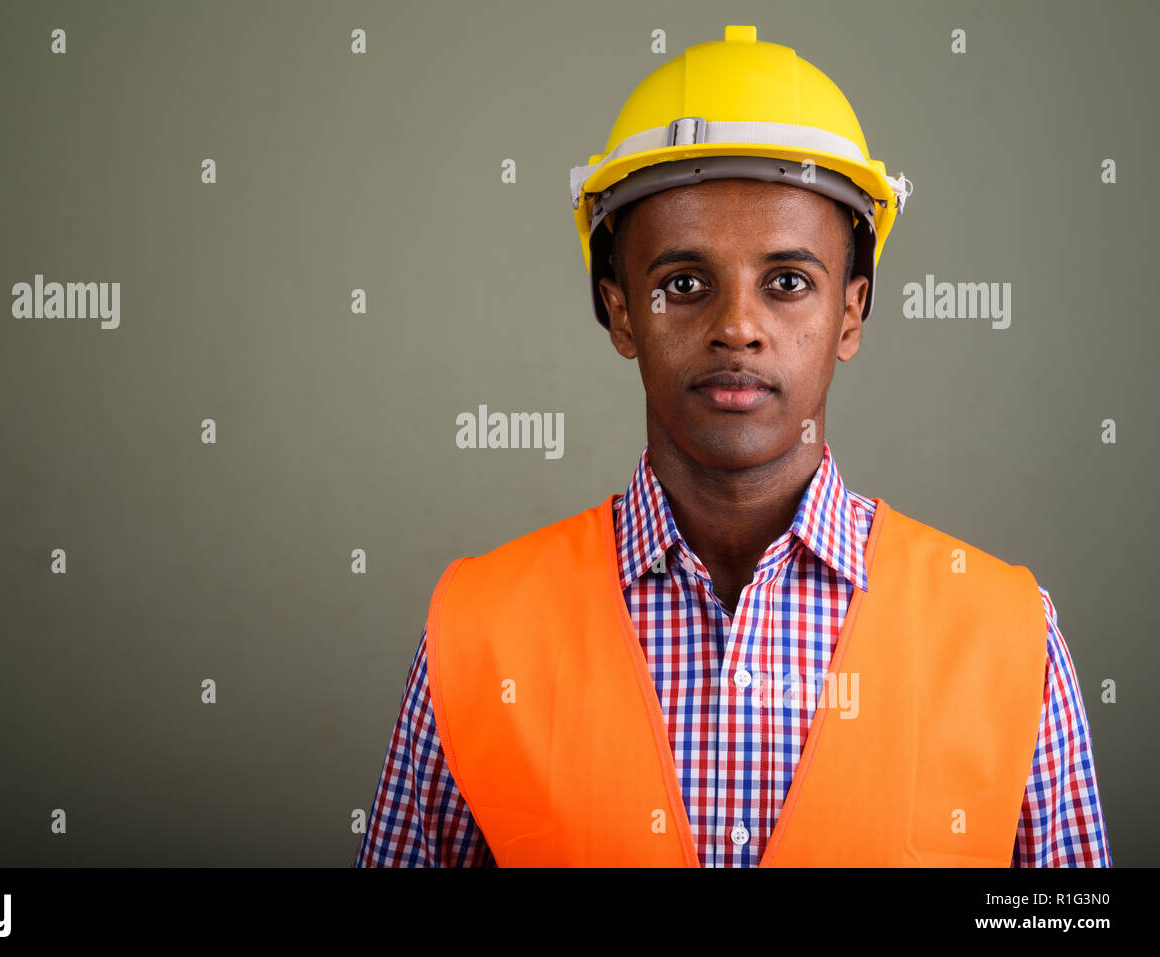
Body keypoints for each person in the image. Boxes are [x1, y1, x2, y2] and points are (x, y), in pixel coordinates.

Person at [354, 25, 1110, 867]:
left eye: (788, 282)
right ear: (619, 312)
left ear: (850, 313)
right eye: (683, 283)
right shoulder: (478, 632)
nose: (737, 328)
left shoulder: (1008, 638)